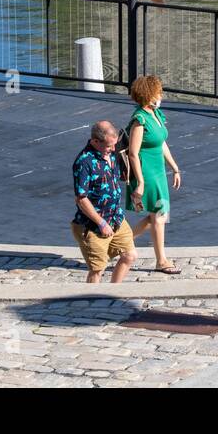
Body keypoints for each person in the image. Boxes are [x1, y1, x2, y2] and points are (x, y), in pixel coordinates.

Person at [125, 74, 182, 275]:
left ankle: (121, 243)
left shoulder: (156, 115)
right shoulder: (139, 120)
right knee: (159, 215)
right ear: (149, 95)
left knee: (154, 216)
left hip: (158, 172)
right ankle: (161, 261)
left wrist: (174, 167)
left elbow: (161, 143)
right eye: (158, 92)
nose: (161, 95)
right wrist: (140, 182)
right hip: (147, 173)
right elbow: (133, 153)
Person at [71, 120, 137, 284]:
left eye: (114, 145)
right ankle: (94, 303)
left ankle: (114, 291)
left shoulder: (111, 154)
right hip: (93, 226)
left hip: (116, 218)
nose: (113, 149)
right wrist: (101, 223)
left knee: (130, 255)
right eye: (108, 146)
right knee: (97, 270)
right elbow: (81, 198)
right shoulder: (84, 162)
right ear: (95, 141)